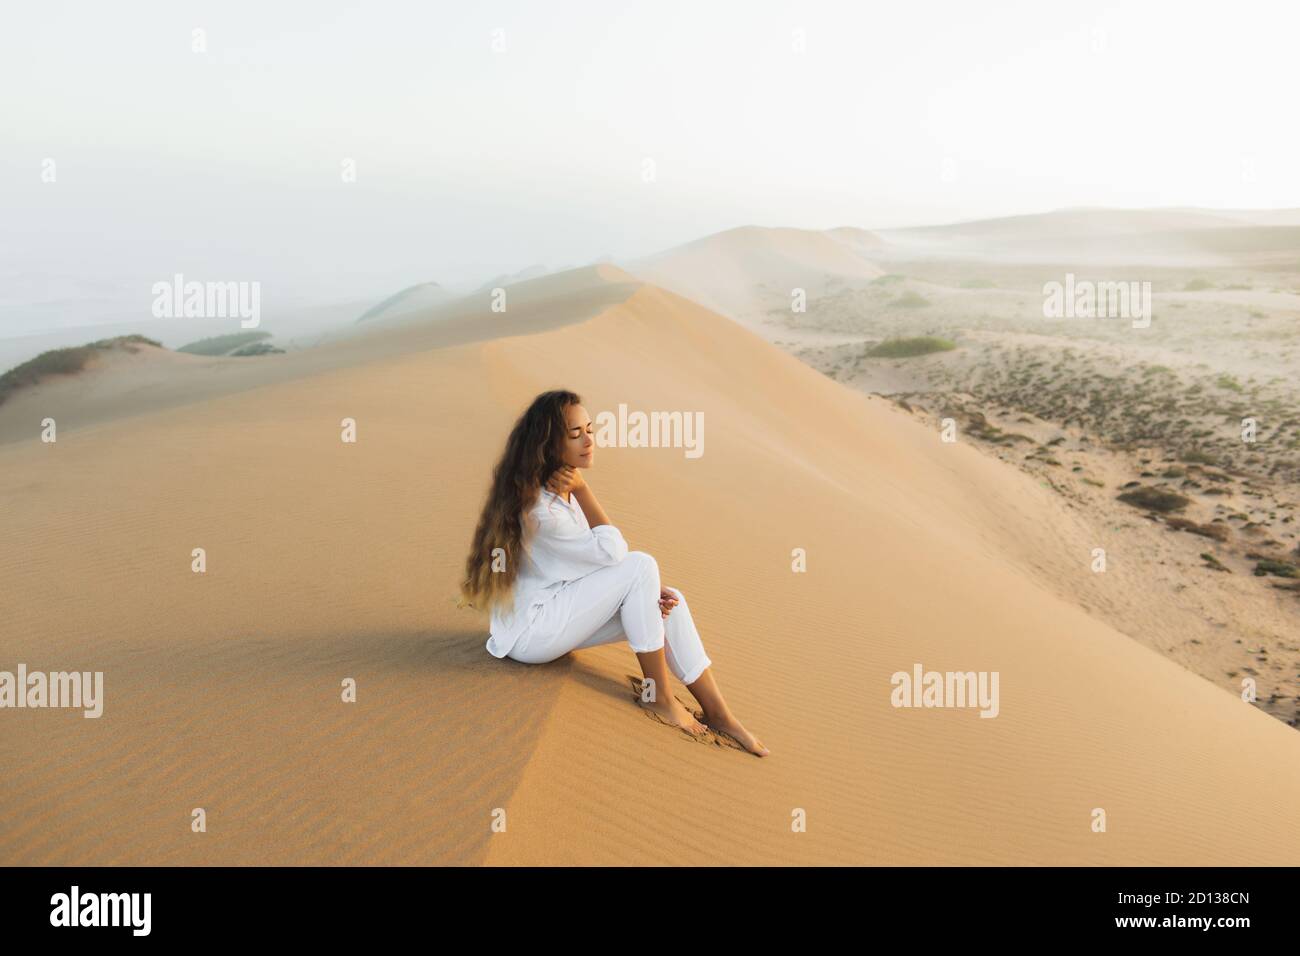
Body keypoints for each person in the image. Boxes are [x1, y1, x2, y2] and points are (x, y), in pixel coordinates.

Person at [459, 389, 768, 756]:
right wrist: (585, 490)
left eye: (590, 429)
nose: (589, 440)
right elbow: (612, 552)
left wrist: (644, 597)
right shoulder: (543, 510)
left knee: (671, 601)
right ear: (548, 444)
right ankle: (660, 698)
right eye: (576, 434)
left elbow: (585, 568)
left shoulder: (552, 488)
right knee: (641, 566)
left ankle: (719, 713)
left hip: (553, 612)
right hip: (533, 634)